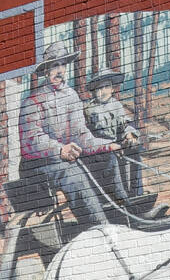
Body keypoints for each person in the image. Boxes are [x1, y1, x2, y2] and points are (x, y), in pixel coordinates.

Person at [18, 40, 129, 227]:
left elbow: (81, 135)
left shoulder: (71, 96)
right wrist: (60, 149)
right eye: (55, 65)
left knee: (107, 158)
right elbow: (32, 141)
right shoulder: (33, 101)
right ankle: (99, 228)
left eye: (63, 65)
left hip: (66, 157)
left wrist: (106, 145)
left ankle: (123, 218)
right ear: (46, 71)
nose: (60, 70)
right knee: (73, 174)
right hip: (39, 164)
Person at [84, 69, 145, 199]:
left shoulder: (116, 105)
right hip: (99, 148)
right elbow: (92, 134)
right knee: (113, 159)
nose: (104, 91)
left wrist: (129, 135)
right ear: (94, 91)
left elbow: (124, 123)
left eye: (107, 87)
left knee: (135, 152)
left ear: (112, 89)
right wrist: (110, 145)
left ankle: (136, 192)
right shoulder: (90, 109)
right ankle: (120, 196)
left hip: (116, 143)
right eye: (100, 88)